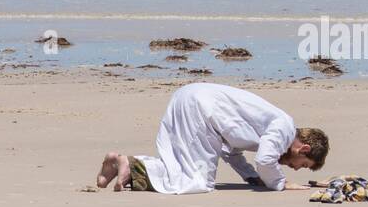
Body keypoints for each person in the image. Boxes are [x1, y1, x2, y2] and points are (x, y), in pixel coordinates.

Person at [96, 82, 329, 194]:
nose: (296, 169)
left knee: (181, 169)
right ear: (305, 149)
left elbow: (231, 150)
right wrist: (280, 183)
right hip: (201, 107)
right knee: (196, 182)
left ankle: (124, 166)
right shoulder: (284, 128)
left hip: (191, 97)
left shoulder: (277, 127)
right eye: (303, 165)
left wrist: (250, 177)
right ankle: (129, 163)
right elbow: (265, 159)